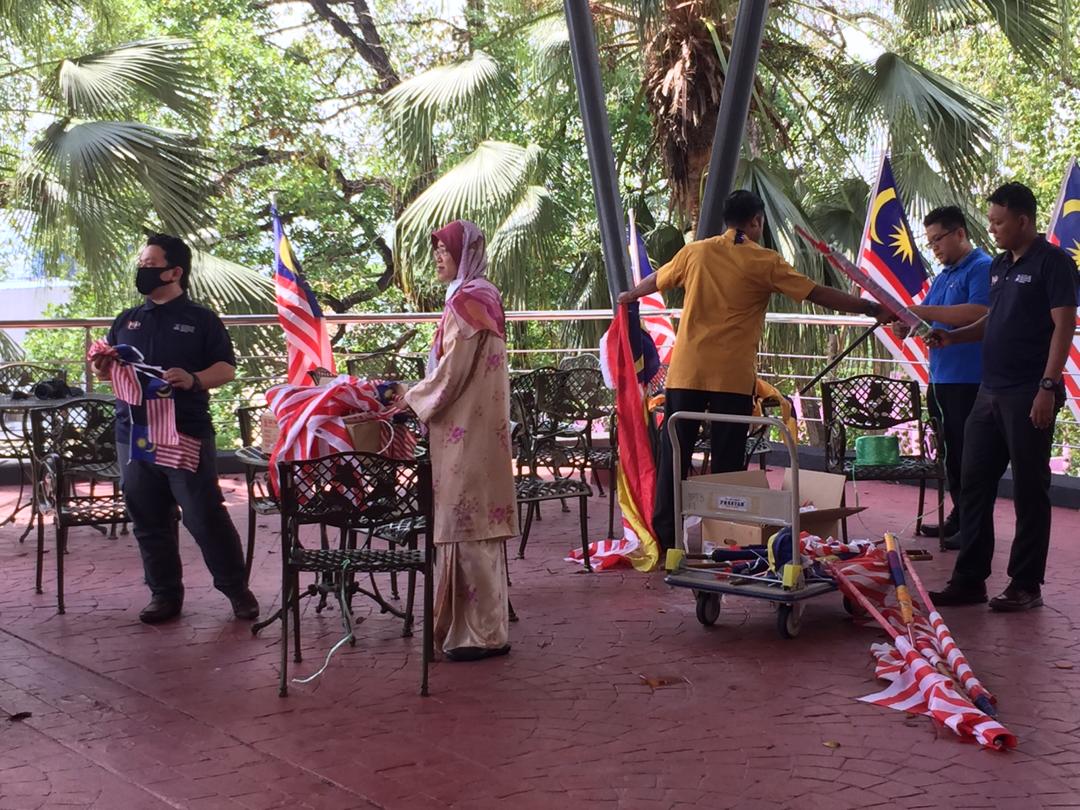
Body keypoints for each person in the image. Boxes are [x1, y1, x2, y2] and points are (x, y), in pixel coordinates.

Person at [618, 190, 886, 551]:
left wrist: (630, 296)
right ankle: (724, 539)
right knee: (728, 462)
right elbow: (816, 293)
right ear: (756, 221)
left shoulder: (695, 252)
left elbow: (657, 280)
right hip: (731, 376)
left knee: (674, 457)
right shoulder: (765, 261)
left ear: (726, 220)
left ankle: (666, 542)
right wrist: (869, 307)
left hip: (686, 372)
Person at [93, 234, 258, 624]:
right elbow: (106, 374)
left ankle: (236, 590)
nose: (142, 270)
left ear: (174, 272)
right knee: (147, 516)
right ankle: (164, 594)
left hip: (185, 431)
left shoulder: (201, 319)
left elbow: (226, 369)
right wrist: (103, 366)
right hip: (135, 434)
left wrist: (194, 379)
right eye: (141, 264)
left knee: (203, 514)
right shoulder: (127, 319)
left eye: (150, 264)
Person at [929, 183, 1078, 611]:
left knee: (1030, 488)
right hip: (988, 391)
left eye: (998, 221)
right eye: (990, 221)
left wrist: (1047, 386)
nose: (991, 228)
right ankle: (969, 579)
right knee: (973, 482)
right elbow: (993, 319)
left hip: (1029, 391)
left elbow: (1064, 326)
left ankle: (1025, 584)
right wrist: (954, 336)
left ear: (1023, 221)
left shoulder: (1053, 263)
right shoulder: (999, 266)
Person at [402, 220, 516, 661]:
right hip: (477, 427)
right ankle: (475, 628)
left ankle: (480, 634)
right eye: (436, 251)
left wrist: (410, 398)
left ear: (464, 254)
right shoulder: (480, 296)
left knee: (468, 523)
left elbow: (451, 373)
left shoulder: (468, 302)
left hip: (465, 428)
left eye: (445, 250)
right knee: (474, 523)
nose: (438, 257)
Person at [892, 206, 991, 549]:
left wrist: (922, 310)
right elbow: (928, 318)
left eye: (938, 240)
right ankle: (960, 515)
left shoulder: (981, 267)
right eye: (930, 242)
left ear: (960, 233)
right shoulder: (943, 276)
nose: (934, 248)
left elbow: (980, 312)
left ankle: (974, 525)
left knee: (970, 455)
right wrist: (908, 324)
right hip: (941, 378)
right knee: (949, 454)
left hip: (970, 379)